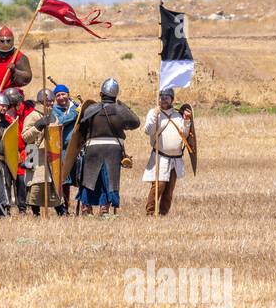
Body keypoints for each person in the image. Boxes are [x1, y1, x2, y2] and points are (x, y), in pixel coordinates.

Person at [74, 78, 139, 216]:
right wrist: (124, 106)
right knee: (109, 180)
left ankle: (86, 207)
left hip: (93, 148)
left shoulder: (91, 109)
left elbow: (82, 128)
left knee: (89, 179)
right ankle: (105, 209)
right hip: (113, 150)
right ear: (115, 95)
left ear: (101, 93)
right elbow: (135, 122)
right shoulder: (121, 110)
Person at [144, 87, 190, 216]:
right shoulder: (154, 113)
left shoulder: (178, 115)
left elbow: (185, 135)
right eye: (162, 97)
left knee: (169, 189)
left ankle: (163, 213)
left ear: (172, 99)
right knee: (159, 186)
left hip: (175, 158)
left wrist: (186, 121)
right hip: (161, 157)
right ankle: (150, 213)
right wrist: (155, 114)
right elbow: (148, 131)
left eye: (166, 97)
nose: (163, 100)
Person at [22, 89, 61, 215]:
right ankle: (35, 212)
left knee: (51, 183)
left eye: (51, 101)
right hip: (35, 154)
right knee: (37, 183)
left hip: (50, 155)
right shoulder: (33, 116)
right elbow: (26, 137)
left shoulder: (53, 117)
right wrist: (38, 126)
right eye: (48, 101)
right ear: (41, 101)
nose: (50, 104)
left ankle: (61, 211)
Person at [50, 84, 80, 214]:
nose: (61, 97)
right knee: (64, 180)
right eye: (58, 95)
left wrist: (80, 110)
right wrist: (74, 113)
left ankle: (84, 208)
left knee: (80, 177)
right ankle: (65, 208)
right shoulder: (54, 110)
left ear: (68, 94)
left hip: (77, 148)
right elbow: (59, 121)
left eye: (63, 94)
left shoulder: (76, 107)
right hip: (63, 150)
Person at [5, 86, 30, 213]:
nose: (20, 105)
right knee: (7, 180)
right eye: (17, 103)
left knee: (21, 180)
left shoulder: (22, 115)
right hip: (7, 153)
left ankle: (22, 207)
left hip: (22, 152)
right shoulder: (3, 117)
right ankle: (6, 207)